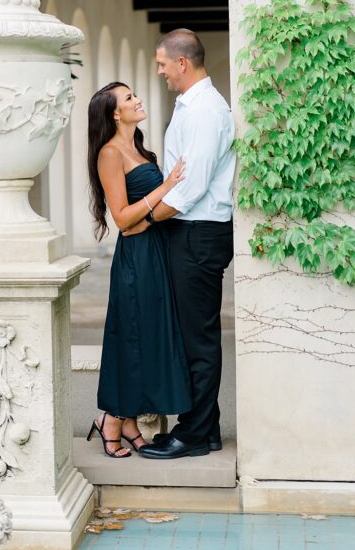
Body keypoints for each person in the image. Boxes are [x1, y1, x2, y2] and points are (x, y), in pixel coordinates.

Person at [140, 29, 236, 460]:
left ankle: (194, 434)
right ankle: (206, 427)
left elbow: (190, 186)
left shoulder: (204, 111)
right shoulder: (192, 106)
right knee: (191, 334)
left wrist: (145, 218)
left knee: (197, 338)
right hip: (193, 232)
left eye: (163, 63)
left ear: (183, 63)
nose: (160, 71)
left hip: (197, 232)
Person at [85, 81, 191, 458]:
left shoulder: (137, 145)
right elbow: (122, 219)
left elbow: (140, 217)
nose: (137, 100)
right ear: (115, 113)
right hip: (136, 256)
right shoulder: (110, 154)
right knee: (131, 337)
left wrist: (153, 209)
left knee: (149, 335)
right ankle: (111, 420)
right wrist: (165, 188)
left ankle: (127, 420)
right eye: (129, 98)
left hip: (155, 250)